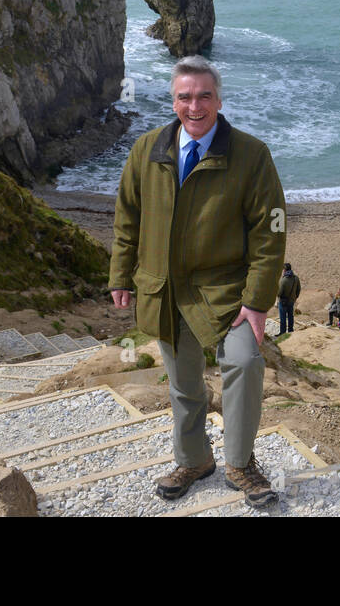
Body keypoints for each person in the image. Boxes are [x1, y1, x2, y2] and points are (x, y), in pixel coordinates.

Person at [109, 56, 284, 507]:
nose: (195, 105)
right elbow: (127, 217)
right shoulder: (146, 150)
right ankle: (194, 459)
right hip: (165, 290)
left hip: (228, 293)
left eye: (204, 95)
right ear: (173, 101)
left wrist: (259, 302)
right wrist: (121, 275)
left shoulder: (251, 155)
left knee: (244, 363)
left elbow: (271, 232)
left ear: (219, 100)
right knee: (183, 384)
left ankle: (240, 464)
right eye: (185, 96)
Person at [277, 263, 300, 335]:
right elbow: (299, 289)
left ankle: (282, 333)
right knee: (290, 316)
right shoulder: (296, 278)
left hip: (283, 301)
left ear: (284, 270)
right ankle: (291, 331)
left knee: (283, 317)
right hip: (291, 301)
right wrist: (295, 297)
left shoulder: (283, 280)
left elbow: (279, 293)